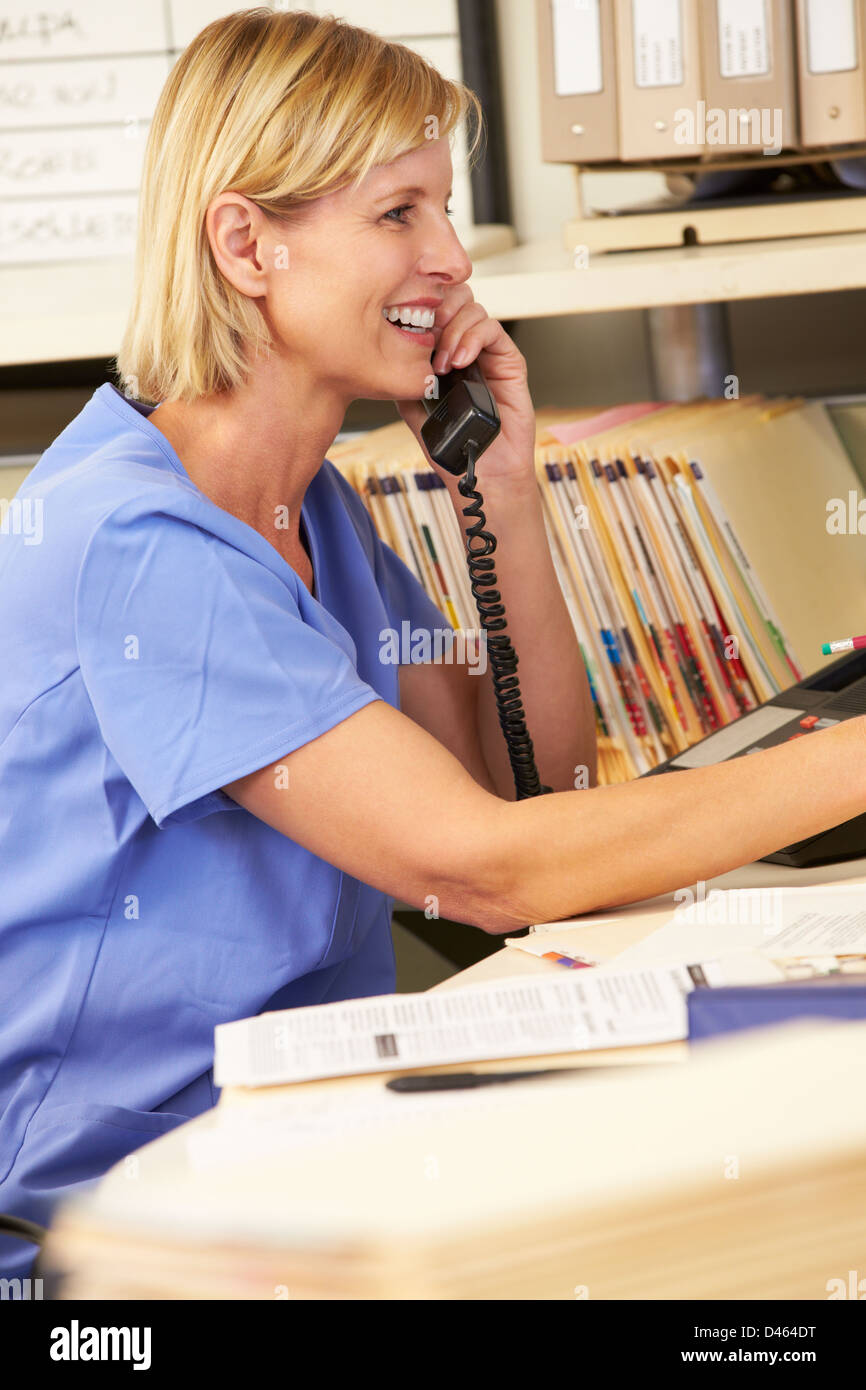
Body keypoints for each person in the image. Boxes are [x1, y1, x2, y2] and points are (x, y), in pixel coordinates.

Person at [2, 7, 865, 1281]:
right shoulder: (139, 543)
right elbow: (489, 872)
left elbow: (534, 793)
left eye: (445, 211)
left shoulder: (316, 515)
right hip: (119, 1238)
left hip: (315, 1170)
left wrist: (502, 491)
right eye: (399, 213)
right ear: (245, 243)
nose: (453, 257)